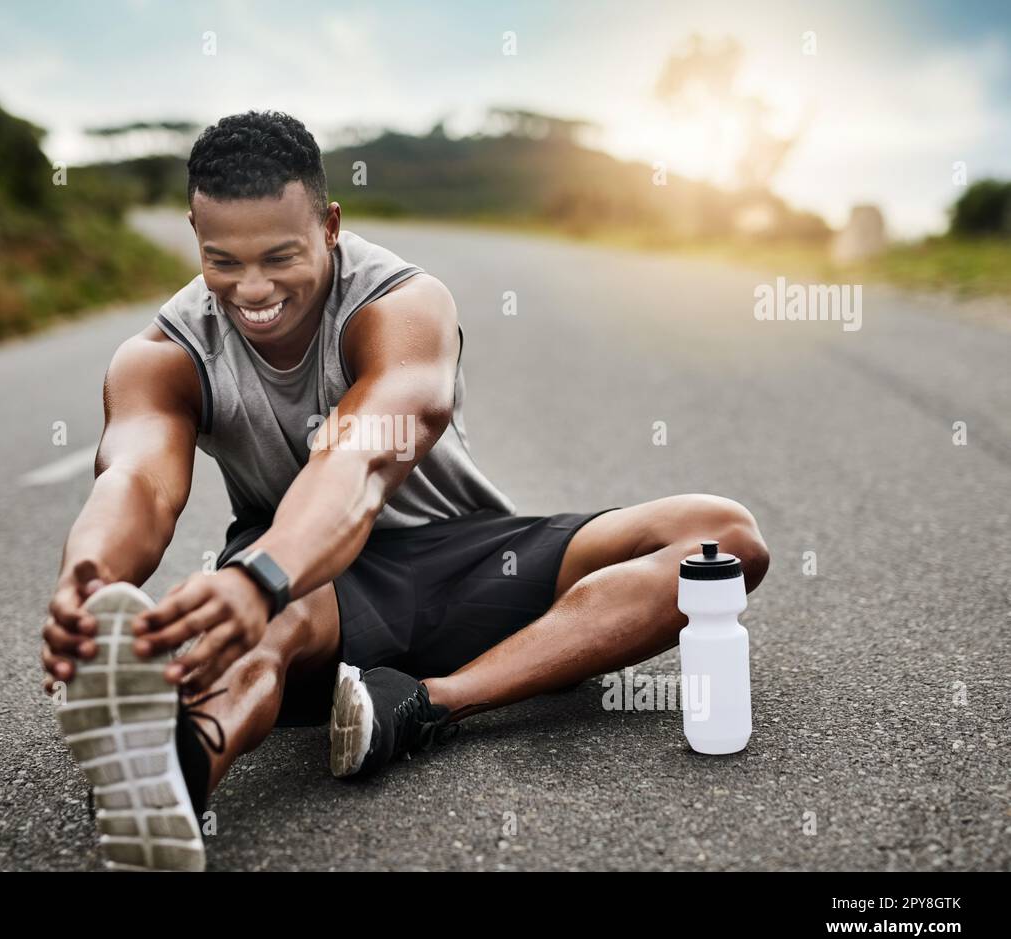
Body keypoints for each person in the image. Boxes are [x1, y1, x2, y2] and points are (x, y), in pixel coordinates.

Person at [41, 110, 770, 870]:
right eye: (222, 260)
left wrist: (263, 574)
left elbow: (359, 459)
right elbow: (136, 480)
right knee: (273, 626)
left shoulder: (403, 303)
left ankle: (426, 703)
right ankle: (174, 776)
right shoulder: (162, 353)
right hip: (308, 597)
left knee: (720, 536)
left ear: (329, 224)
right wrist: (88, 580)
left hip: (459, 563)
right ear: (192, 228)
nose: (251, 289)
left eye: (280, 256)